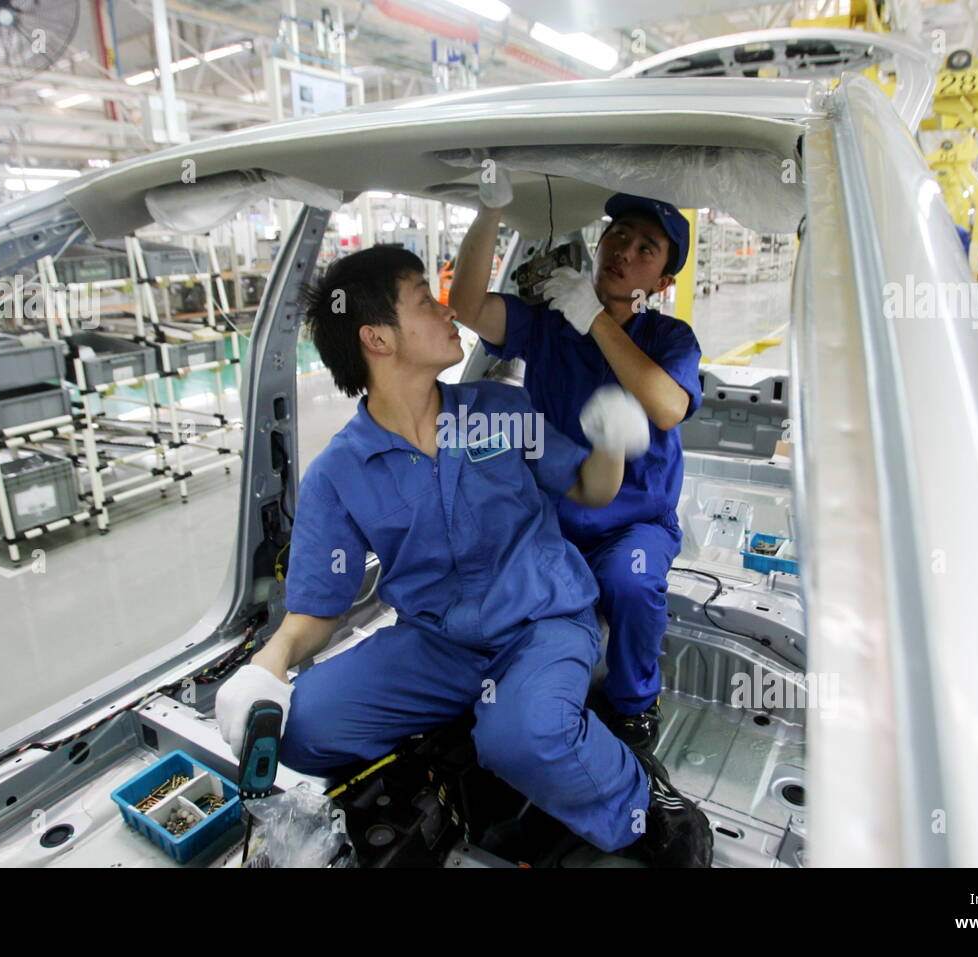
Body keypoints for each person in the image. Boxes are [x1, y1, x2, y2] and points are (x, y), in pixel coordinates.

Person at [215, 245, 712, 866]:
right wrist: (265, 670)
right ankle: (472, 734)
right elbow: (316, 610)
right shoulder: (337, 474)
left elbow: (588, 486)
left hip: (541, 622)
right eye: (423, 298)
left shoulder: (499, 410)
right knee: (305, 728)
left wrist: (610, 445)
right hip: (437, 643)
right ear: (378, 339)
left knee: (522, 737)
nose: (446, 308)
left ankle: (644, 798)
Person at [450, 180, 704, 752]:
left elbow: (666, 407)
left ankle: (636, 707)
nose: (623, 251)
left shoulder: (669, 337)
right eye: (617, 234)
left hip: (633, 523)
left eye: (646, 249)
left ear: (662, 282)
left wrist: (593, 318)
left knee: (629, 581)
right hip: (553, 513)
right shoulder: (546, 323)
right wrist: (491, 209)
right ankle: (506, 700)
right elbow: (465, 306)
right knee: (487, 574)